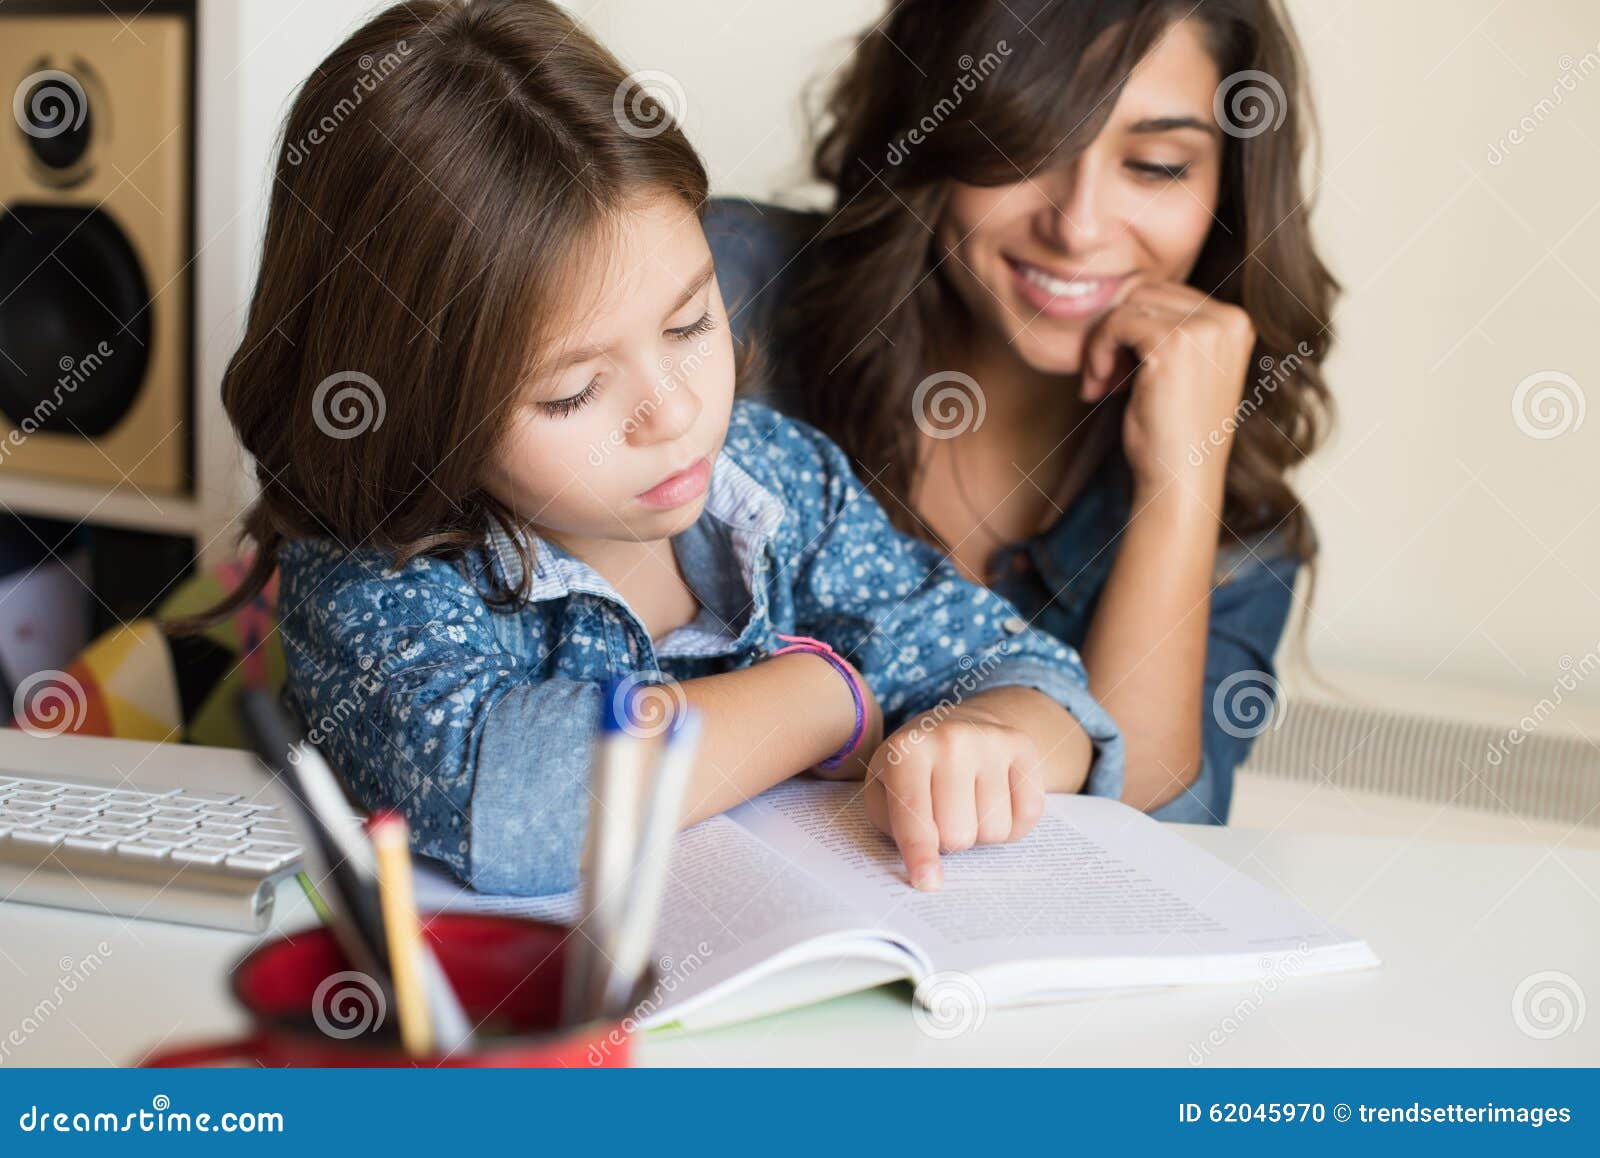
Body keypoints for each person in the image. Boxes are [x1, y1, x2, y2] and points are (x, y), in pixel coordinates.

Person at [169, 0, 1123, 895]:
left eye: (689, 323)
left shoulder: (778, 479)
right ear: (414, 406)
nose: (670, 412)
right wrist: (826, 696)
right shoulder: (377, 569)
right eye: (573, 391)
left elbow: (1036, 682)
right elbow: (510, 803)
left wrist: (984, 741)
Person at [707, 0, 1336, 823]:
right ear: (936, 130)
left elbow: (1147, 839)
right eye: (1026, 144)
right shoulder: (722, 294)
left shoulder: (1242, 522)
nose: (1076, 227)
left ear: (1228, 189)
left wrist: (1181, 477)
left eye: (1153, 165)